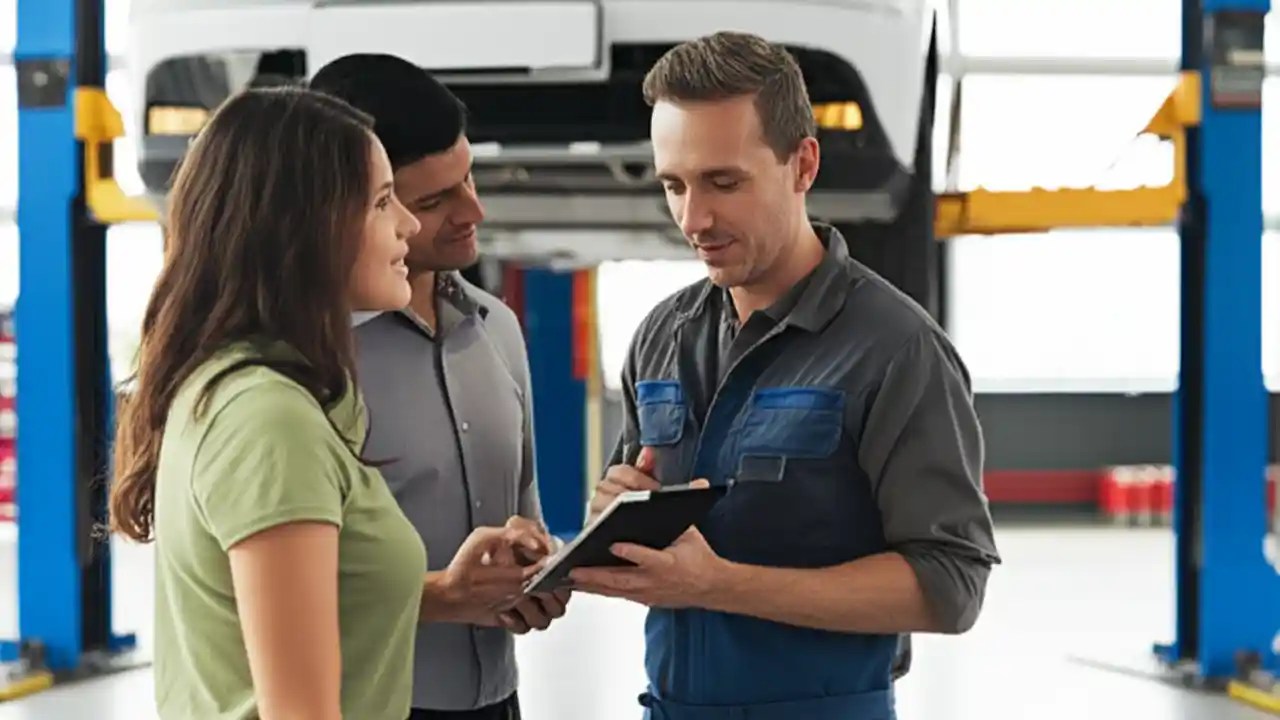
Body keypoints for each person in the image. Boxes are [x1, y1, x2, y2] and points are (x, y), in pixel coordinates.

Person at [569, 31, 1002, 719]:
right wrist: (616, 516)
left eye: (723, 182)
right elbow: (651, 535)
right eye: (674, 185)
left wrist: (720, 585)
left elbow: (951, 587)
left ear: (803, 165)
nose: (693, 218)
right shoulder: (659, 337)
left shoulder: (896, 349)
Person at [107, 87, 545, 720]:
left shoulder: (249, 390)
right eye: (383, 202)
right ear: (306, 228)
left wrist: (447, 593)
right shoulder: (267, 418)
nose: (409, 226)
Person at [309, 54, 569, 720]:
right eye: (432, 201)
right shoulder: (299, 367)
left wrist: (534, 571)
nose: (473, 209)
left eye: (468, 176)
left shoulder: (499, 330)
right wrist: (443, 596)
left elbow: (523, 508)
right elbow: (258, 588)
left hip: (497, 700)